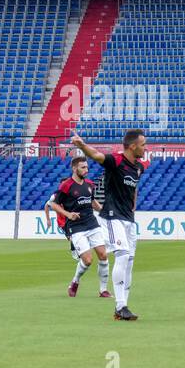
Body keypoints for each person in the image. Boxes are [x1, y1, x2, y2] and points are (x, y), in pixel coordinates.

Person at [72, 129, 148, 322]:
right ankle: (120, 305)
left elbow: (134, 188)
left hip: (128, 219)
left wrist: (133, 207)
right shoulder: (116, 161)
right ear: (132, 146)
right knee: (122, 255)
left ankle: (123, 309)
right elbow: (97, 155)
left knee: (129, 262)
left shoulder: (139, 167)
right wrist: (81, 146)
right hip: (112, 216)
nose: (145, 148)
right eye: (143, 144)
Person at [45, 154, 111, 297]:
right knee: (87, 260)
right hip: (76, 227)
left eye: (86, 167)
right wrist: (68, 214)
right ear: (74, 169)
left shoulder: (89, 184)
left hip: (92, 223)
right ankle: (75, 282)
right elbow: (52, 204)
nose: (86, 170)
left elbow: (92, 202)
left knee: (103, 255)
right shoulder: (66, 185)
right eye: (83, 167)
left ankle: (103, 290)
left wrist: (105, 212)